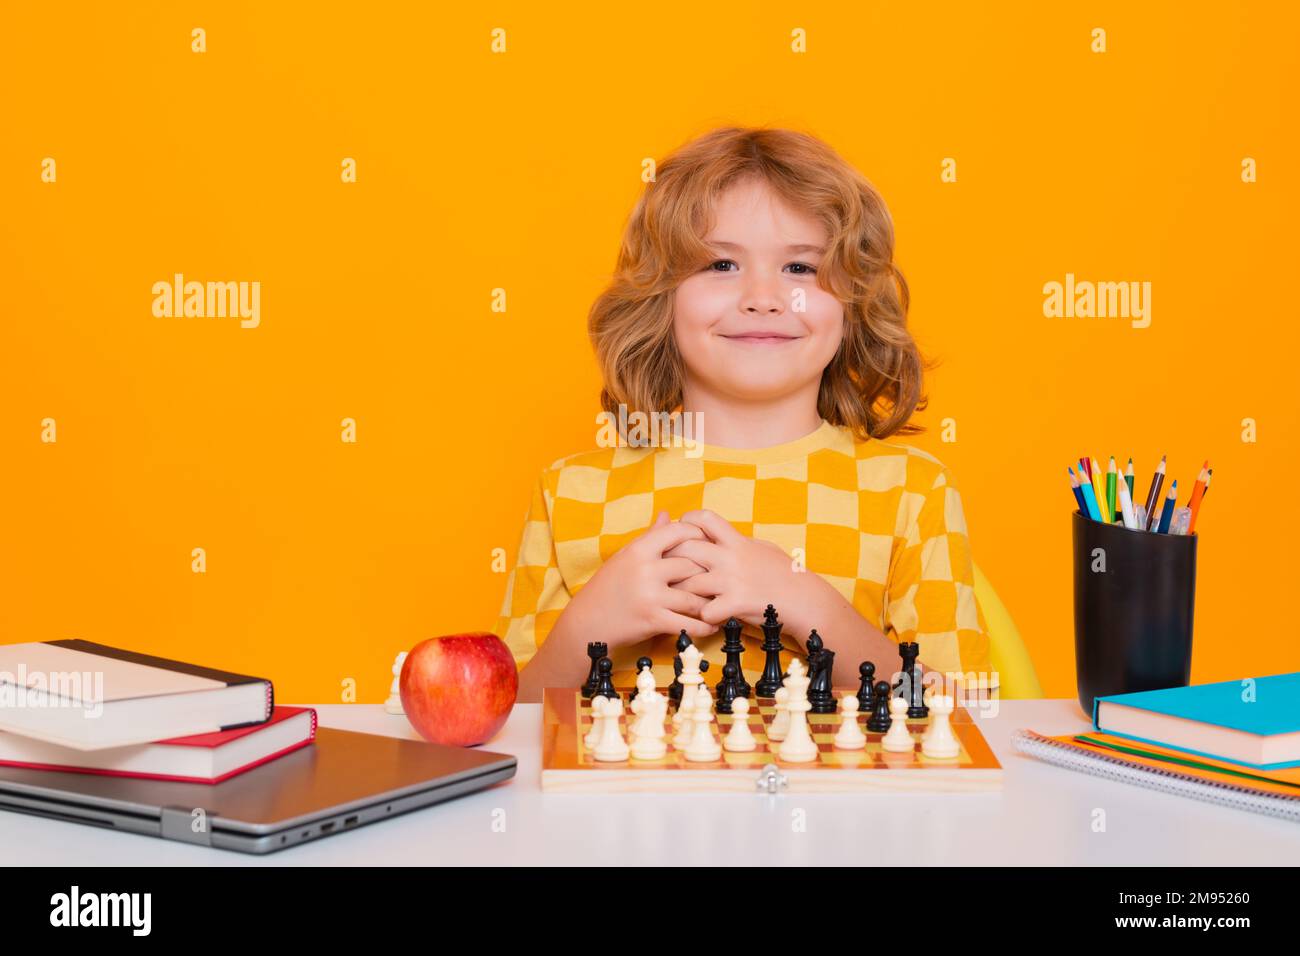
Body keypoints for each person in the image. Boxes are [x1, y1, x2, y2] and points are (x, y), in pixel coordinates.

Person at [494, 126, 991, 703]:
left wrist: (807, 603)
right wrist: (585, 629)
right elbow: (511, 724)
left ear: (852, 305)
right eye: (721, 265)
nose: (762, 296)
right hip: (631, 794)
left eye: (801, 269)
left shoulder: (913, 491)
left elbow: (966, 714)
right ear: (660, 299)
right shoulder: (569, 492)